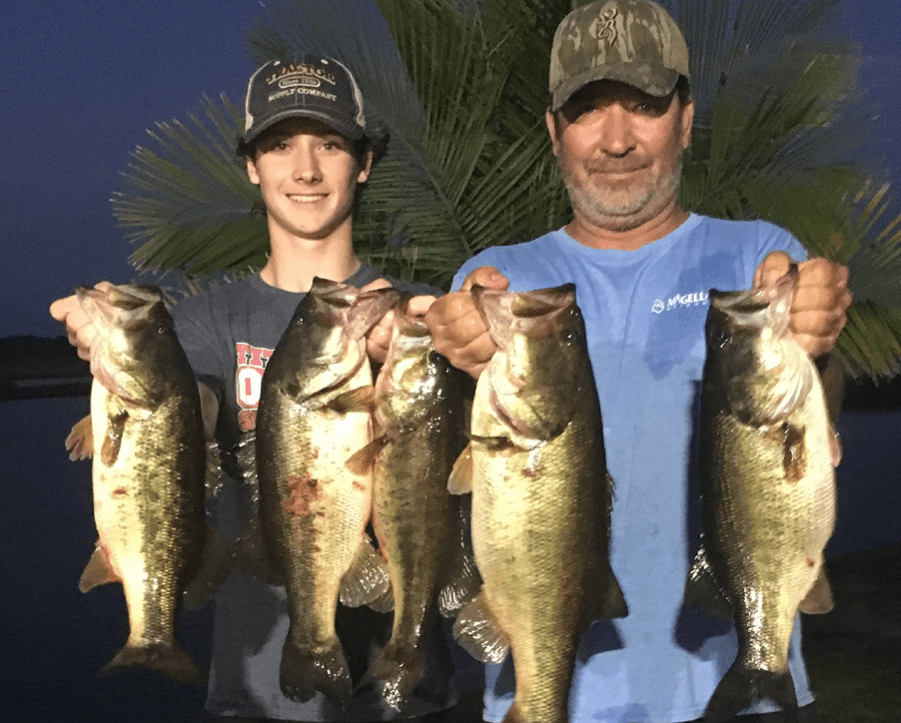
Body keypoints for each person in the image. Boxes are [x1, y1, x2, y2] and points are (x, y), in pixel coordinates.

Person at [423, 2, 852, 722]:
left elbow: (813, 417)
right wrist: (448, 357)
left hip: (740, 693)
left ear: (684, 120)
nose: (616, 140)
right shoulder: (501, 276)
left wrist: (819, 344)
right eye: (588, 109)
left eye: (645, 106)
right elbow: (434, 462)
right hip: (542, 687)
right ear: (555, 130)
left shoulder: (755, 257)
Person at [50, 54, 458, 723]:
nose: (304, 169)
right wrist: (121, 360)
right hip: (254, 698)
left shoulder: (420, 316)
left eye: (329, 143)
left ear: (363, 162)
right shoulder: (202, 322)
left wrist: (432, 350)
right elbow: (195, 404)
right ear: (251, 165)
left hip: (411, 697)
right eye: (280, 144)